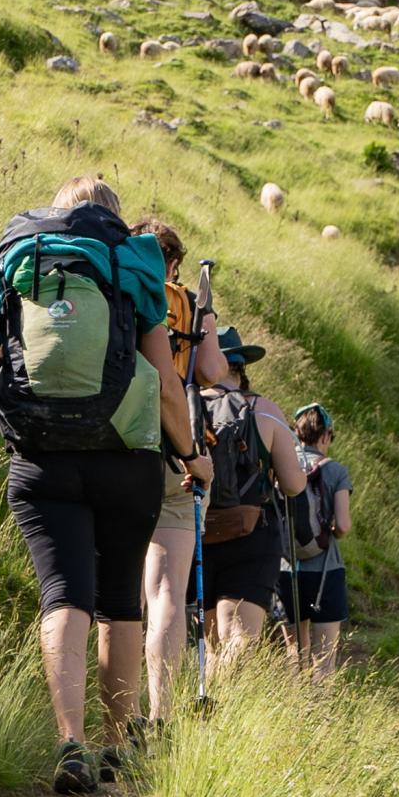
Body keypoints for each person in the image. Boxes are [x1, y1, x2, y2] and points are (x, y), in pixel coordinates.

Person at [0, 177, 212, 795]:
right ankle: (118, 745)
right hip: (124, 457)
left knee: (64, 594)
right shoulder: (129, 264)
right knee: (119, 597)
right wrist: (193, 457)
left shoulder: (19, 260)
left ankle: (70, 742)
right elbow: (168, 385)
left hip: (40, 460)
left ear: (53, 214)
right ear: (114, 218)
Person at [128, 218, 227, 727]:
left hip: (115, 447)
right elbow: (212, 374)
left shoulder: (115, 282)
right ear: (175, 262)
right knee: (167, 590)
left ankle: (113, 718)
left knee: (118, 590)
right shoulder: (189, 301)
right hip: (178, 450)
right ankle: (160, 713)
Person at [198, 325, 306, 673]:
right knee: (240, 636)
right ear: (241, 368)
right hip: (251, 532)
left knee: (212, 641)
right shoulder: (264, 410)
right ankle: (226, 708)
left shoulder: (186, 406)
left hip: (196, 533)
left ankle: (208, 709)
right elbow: (292, 485)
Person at [278, 403, 353, 682]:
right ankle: (320, 716)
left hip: (286, 570)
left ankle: (295, 713)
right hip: (326, 572)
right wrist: (331, 531)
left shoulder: (282, 465)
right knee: (324, 658)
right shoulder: (336, 471)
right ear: (325, 436)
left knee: (295, 652)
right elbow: (343, 525)